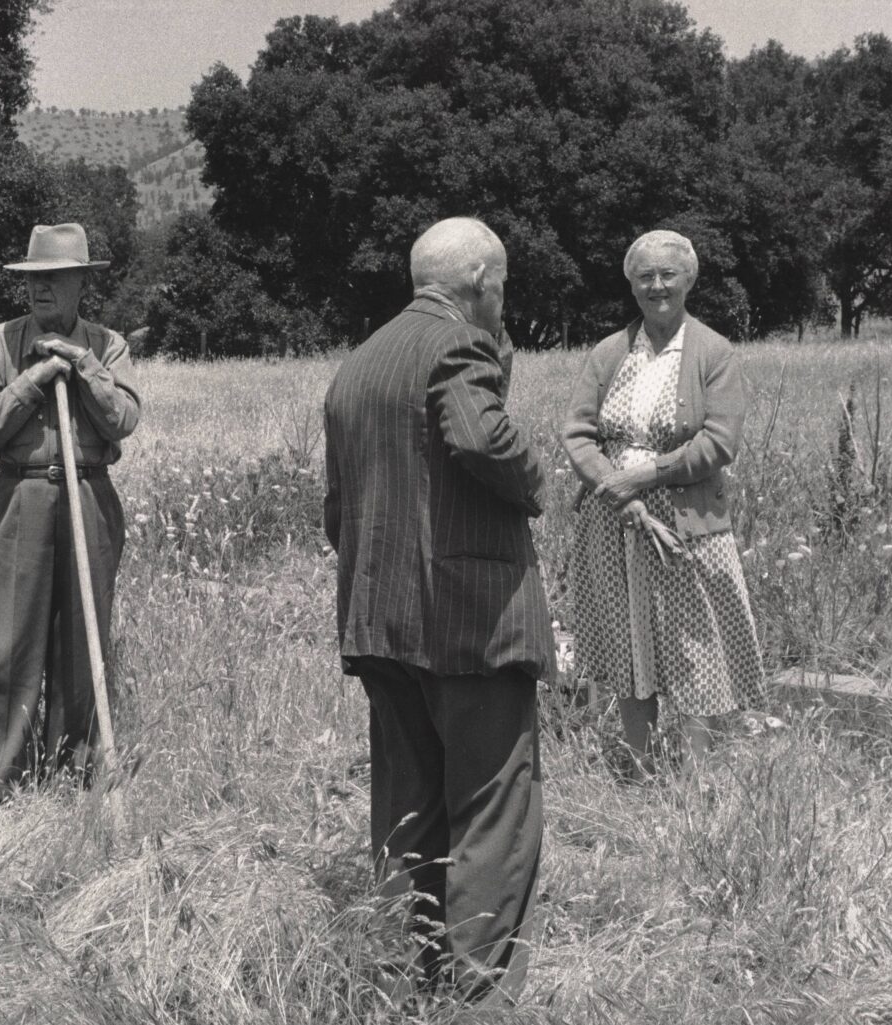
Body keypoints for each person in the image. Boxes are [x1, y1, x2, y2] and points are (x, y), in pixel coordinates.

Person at [322, 217, 553, 1006]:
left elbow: (337, 509)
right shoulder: (459, 347)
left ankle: (403, 979)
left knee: (408, 809)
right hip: (468, 624)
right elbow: (482, 441)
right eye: (503, 288)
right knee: (493, 811)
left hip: (380, 623)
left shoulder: (358, 364)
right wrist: (537, 477)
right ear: (483, 282)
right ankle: (481, 998)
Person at [561, 230, 762, 779]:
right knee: (627, 641)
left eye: (667, 274)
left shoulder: (713, 352)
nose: (656, 286)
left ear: (689, 279)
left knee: (695, 645)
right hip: (614, 524)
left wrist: (646, 475)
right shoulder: (609, 351)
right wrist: (618, 492)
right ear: (631, 283)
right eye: (644, 276)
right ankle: (640, 768)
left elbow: (720, 441)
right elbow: (578, 433)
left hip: (687, 526)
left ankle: (699, 780)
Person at [0, 223, 141, 816]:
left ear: (81, 283)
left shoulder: (108, 345)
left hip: (90, 493)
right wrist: (35, 378)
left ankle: (79, 768)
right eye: (32, 279)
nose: (39, 290)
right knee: (8, 640)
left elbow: (122, 421)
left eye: (53, 279)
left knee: (82, 639)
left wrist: (82, 366)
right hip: (24, 496)